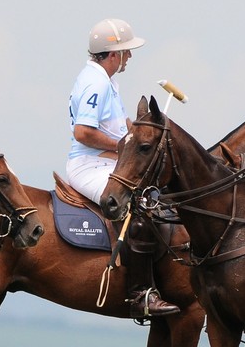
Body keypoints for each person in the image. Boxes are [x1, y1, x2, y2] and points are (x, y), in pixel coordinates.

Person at [65, 18, 179, 320]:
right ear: (113, 54)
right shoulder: (97, 82)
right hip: (90, 165)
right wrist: (124, 148)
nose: (129, 57)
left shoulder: (107, 81)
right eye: (126, 52)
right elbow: (83, 133)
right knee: (140, 209)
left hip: (107, 162)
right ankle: (140, 293)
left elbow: (122, 128)